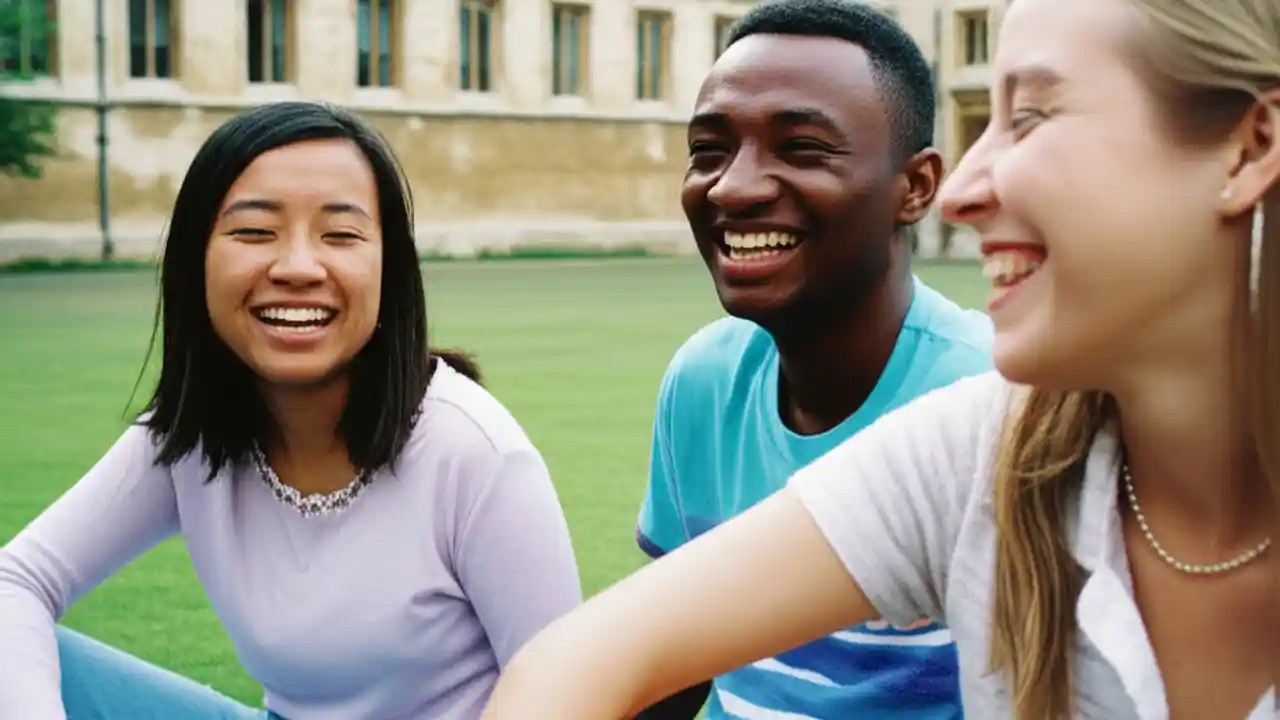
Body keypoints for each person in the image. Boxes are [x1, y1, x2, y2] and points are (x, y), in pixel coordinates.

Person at [480, 0, 1280, 717]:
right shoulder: (982, 451)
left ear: (1249, 148)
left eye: (1032, 118)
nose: (967, 188)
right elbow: (590, 661)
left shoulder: (979, 411)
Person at [0, 101, 583, 719]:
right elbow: (18, 581)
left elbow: (572, 697)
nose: (299, 268)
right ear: (196, 262)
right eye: (254, 232)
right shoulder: (188, 441)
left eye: (341, 235)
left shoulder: (473, 453)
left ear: (391, 269)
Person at [632, 1, 992, 718]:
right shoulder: (703, 382)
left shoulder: (993, 404)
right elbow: (671, 661)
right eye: (709, 150)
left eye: (801, 149)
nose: (732, 186)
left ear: (916, 187)